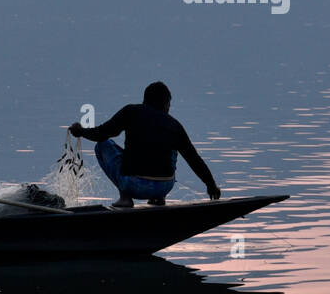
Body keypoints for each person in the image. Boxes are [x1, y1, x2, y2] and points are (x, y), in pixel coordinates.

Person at [68, 81, 220, 208]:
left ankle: (125, 198)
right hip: (164, 185)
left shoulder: (131, 111)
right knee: (174, 148)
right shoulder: (175, 125)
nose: (169, 108)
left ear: (145, 100)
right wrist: (211, 185)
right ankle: (159, 198)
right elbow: (193, 158)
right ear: (166, 103)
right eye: (169, 104)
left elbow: (101, 133)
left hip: (134, 185)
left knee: (103, 145)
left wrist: (81, 131)